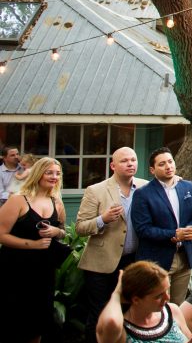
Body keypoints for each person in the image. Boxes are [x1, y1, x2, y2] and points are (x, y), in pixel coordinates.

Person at [77, 147, 148, 343]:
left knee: (129, 312)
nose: (130, 163)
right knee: (100, 314)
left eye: (133, 160)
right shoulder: (96, 190)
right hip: (101, 264)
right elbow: (80, 227)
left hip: (133, 262)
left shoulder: (146, 187)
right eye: (124, 161)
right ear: (113, 166)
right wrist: (103, 219)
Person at [0, 157, 68, 343]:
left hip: (43, 271)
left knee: (39, 320)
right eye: (49, 172)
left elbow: (63, 232)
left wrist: (56, 232)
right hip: (15, 269)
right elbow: (1, 234)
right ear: (38, 174)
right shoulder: (18, 200)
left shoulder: (57, 202)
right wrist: (32, 244)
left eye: (58, 173)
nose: (54, 177)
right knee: (13, 319)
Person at [132, 148, 192, 305]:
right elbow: (143, 229)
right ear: (152, 170)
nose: (168, 166)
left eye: (170, 162)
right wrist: (174, 234)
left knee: (178, 307)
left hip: (184, 257)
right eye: (162, 164)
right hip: (158, 260)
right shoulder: (143, 194)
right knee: (159, 307)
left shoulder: (188, 186)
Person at [96, 261, 192, 343]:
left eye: (166, 290)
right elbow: (111, 322)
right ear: (136, 300)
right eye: (159, 296)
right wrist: (116, 293)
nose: (167, 297)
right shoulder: (121, 330)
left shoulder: (172, 311)